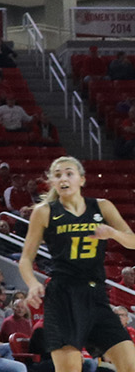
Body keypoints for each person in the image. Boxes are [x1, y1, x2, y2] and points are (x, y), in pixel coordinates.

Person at [18, 157, 135, 372]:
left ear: (81, 179)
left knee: (131, 364)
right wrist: (33, 283)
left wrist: (113, 233)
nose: (64, 178)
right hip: (63, 296)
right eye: (58, 174)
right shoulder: (44, 212)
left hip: (96, 295)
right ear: (52, 182)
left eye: (69, 173)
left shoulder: (102, 206)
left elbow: (132, 241)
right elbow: (26, 258)